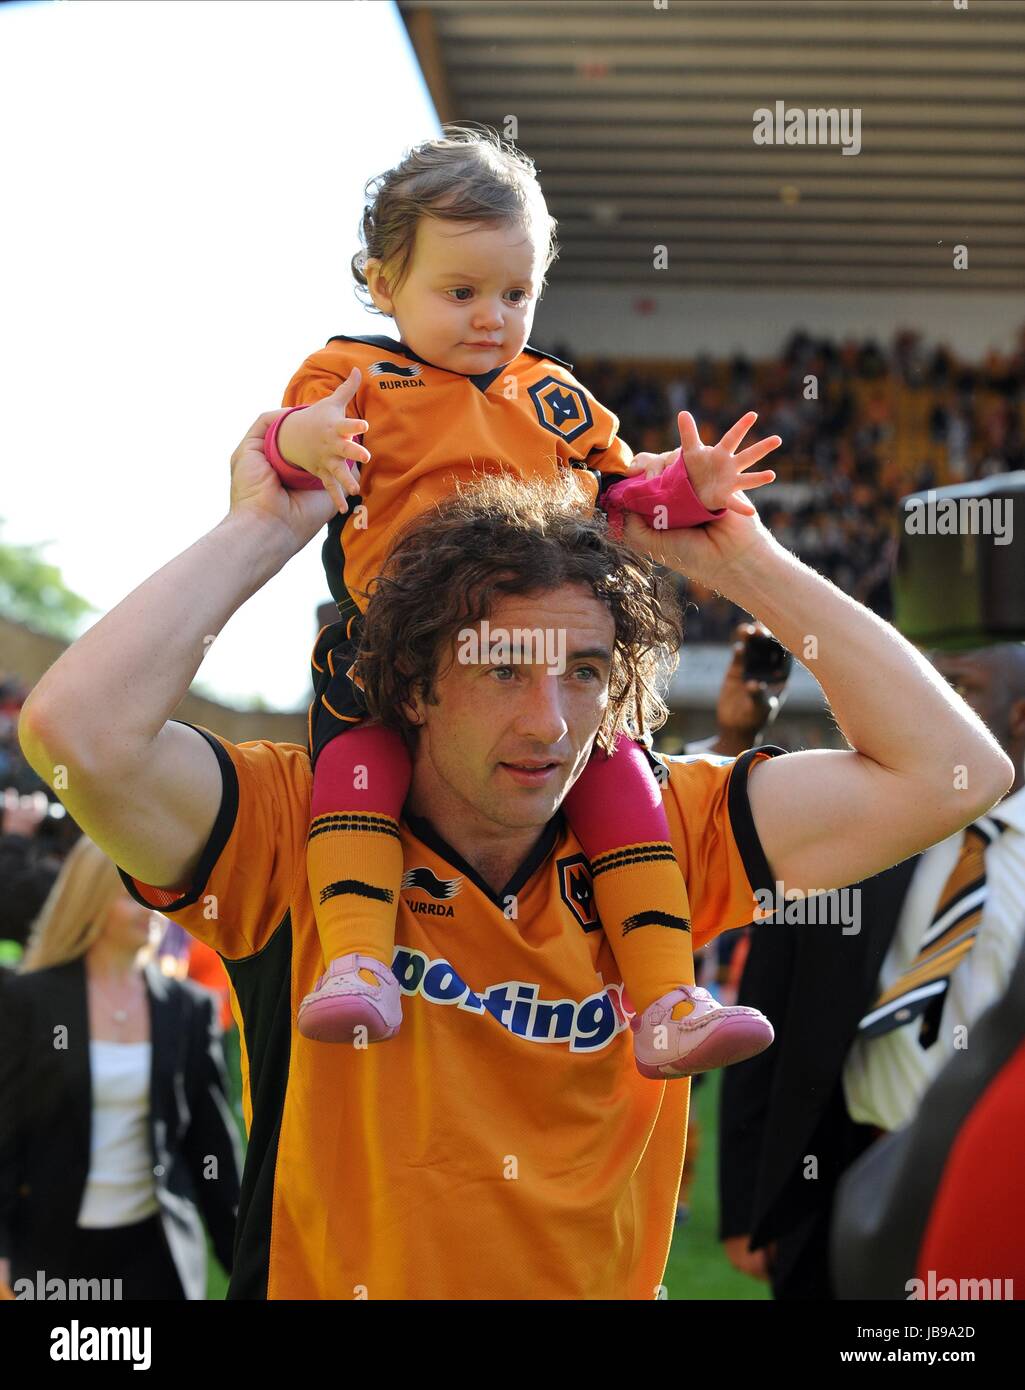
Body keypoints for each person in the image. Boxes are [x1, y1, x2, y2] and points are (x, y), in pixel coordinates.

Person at [16, 407, 1012, 1299]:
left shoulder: (670, 825)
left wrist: (740, 564)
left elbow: (954, 771)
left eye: (584, 671)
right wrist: (267, 525)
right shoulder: (296, 822)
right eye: (503, 669)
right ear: (412, 684)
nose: (548, 721)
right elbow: (75, 735)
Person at [264, 123, 778, 1071]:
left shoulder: (552, 393)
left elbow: (621, 491)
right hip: (391, 641)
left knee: (618, 773)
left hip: (538, 641)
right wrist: (304, 447)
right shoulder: (355, 375)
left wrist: (688, 486)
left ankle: (665, 995)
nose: (490, 316)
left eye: (515, 293)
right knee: (358, 768)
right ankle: (356, 964)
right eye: (459, 292)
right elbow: (284, 440)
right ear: (383, 283)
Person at [718, 641, 1025, 1298]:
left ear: (1020, 716)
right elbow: (766, 1004)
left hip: (991, 1181)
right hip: (834, 1172)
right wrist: (746, 1204)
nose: (936, 705)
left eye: (961, 687)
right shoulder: (860, 827)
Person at [0, 837, 242, 1300]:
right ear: (91, 899)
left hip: (157, 1261)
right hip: (50, 1262)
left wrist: (249, 1267)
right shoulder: (27, 1002)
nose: (154, 906)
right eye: (136, 892)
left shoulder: (188, 1010)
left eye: (162, 892)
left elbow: (210, 1150)